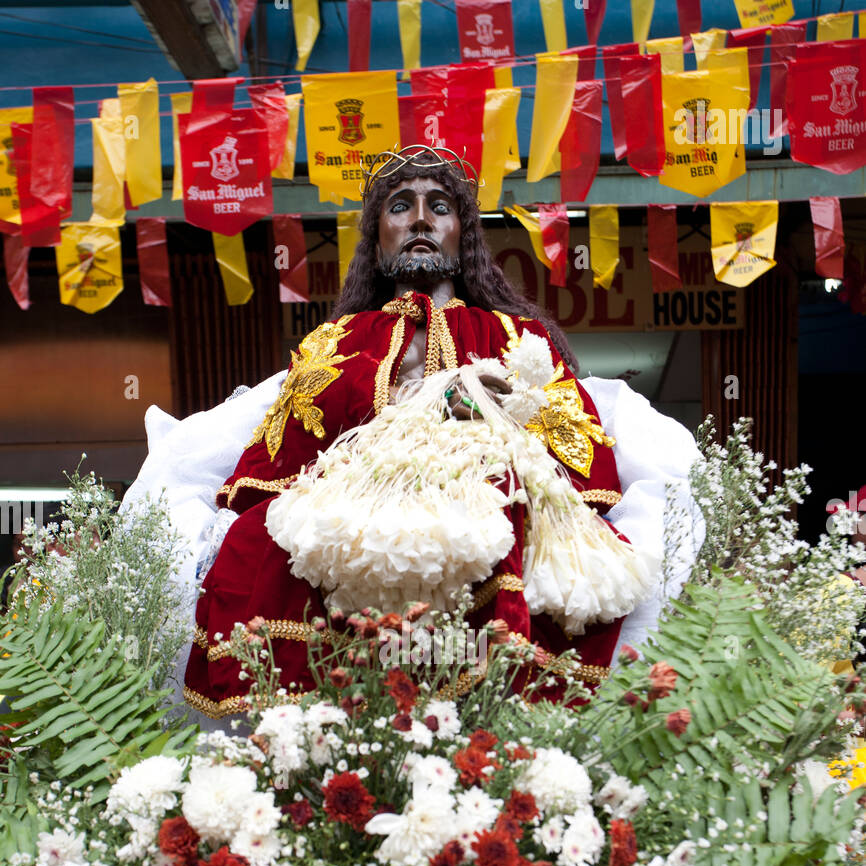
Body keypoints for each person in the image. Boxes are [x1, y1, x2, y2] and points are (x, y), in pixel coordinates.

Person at [122, 145, 703, 720]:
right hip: (353, 507)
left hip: (484, 497)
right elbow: (287, 456)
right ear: (377, 238)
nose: (421, 219)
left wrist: (485, 408)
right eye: (400, 205)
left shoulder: (513, 336)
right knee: (260, 539)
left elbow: (568, 452)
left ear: (463, 235)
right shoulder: (334, 342)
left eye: (440, 207)